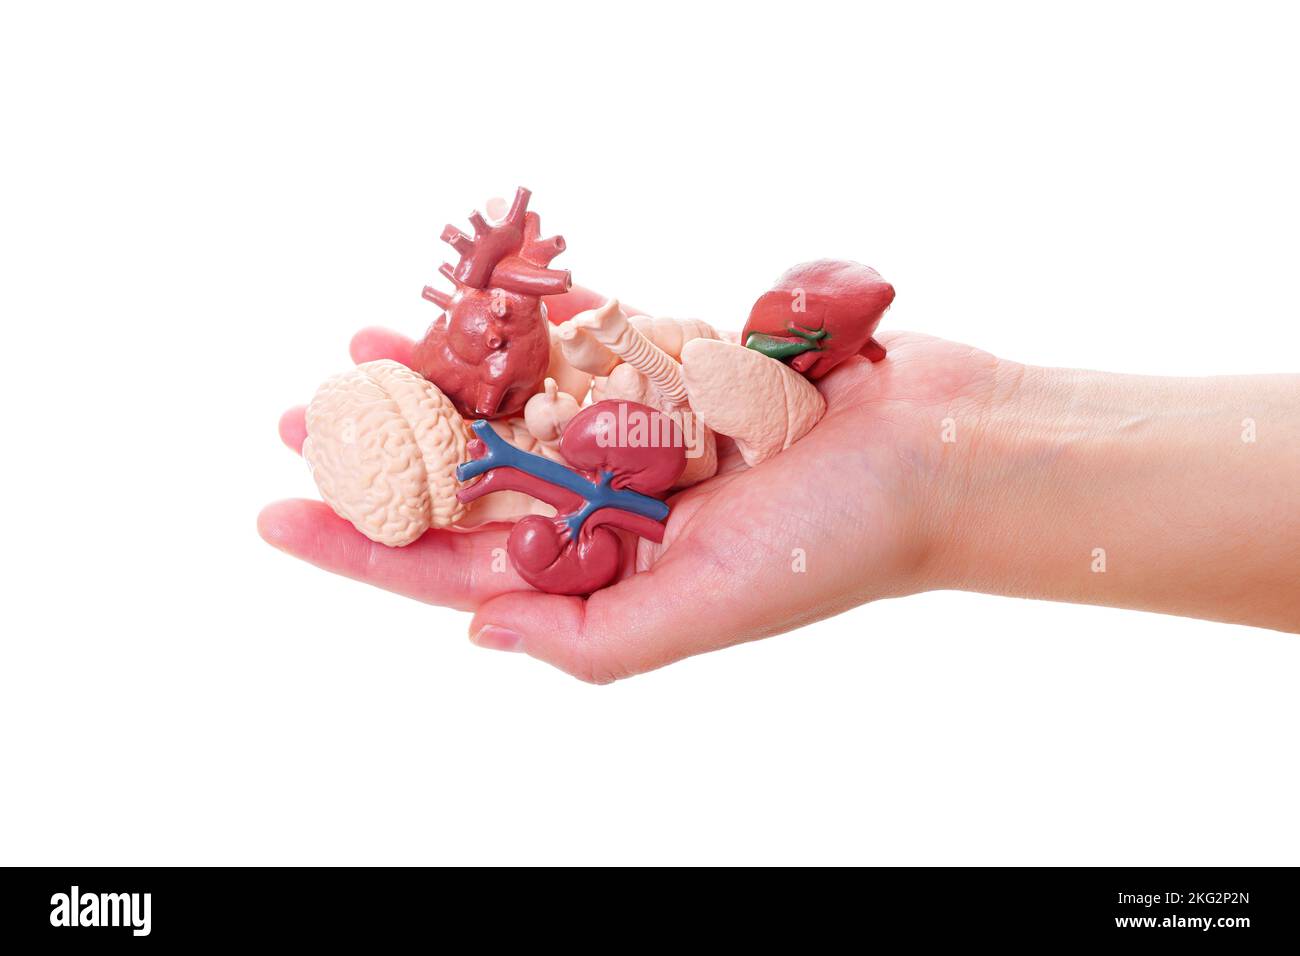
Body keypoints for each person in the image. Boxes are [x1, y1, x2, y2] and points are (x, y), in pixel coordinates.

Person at [259, 288, 1300, 682]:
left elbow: (666, 405)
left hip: (646, 426)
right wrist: (957, 455)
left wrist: (946, 462)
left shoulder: (683, 390)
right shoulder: (558, 408)